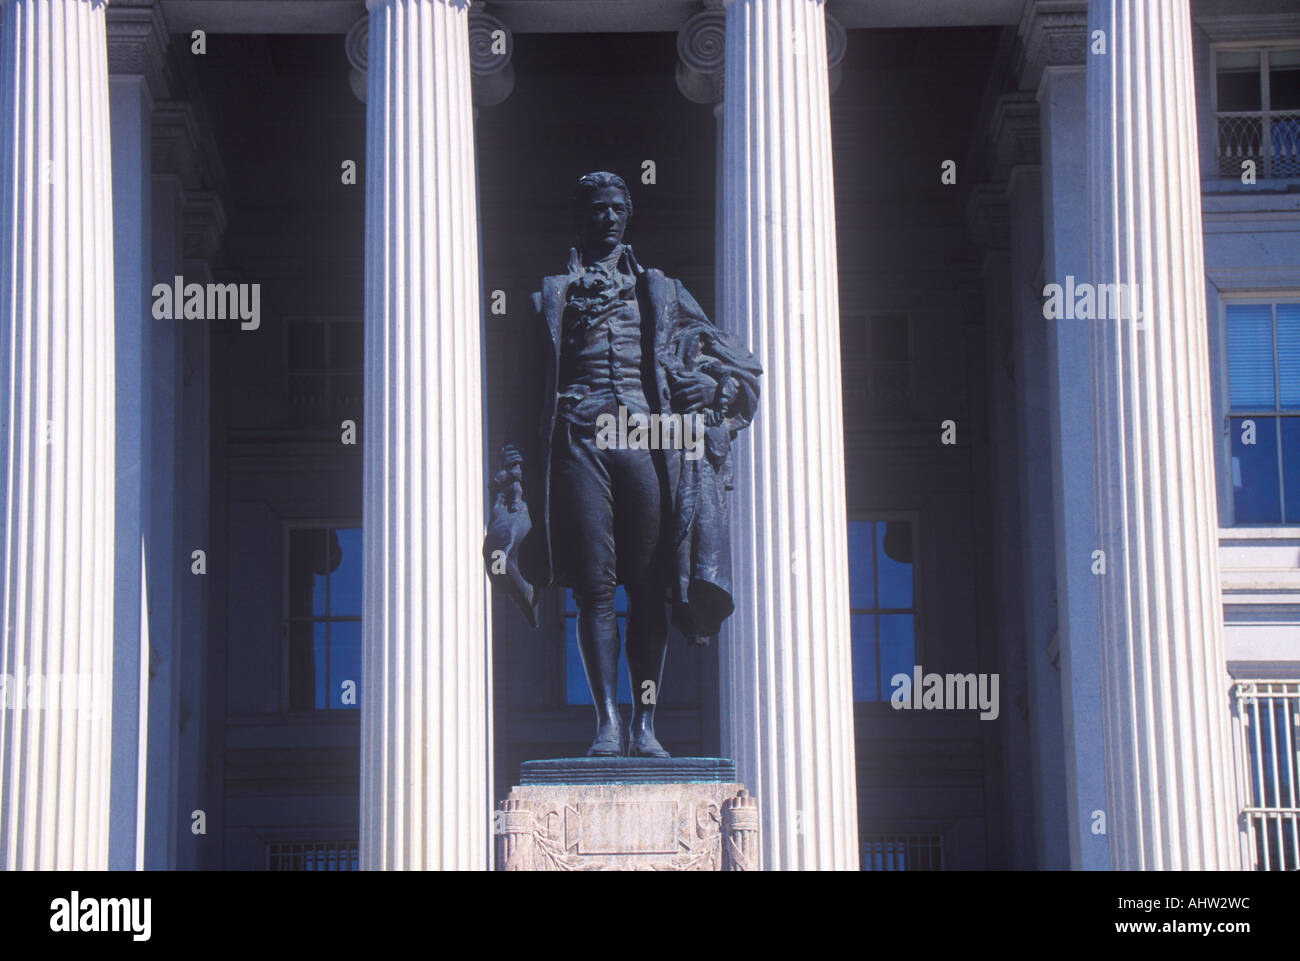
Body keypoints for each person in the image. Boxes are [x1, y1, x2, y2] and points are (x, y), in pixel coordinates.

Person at [484, 171, 759, 758]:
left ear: (627, 216)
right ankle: (608, 722)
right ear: (580, 218)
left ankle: (645, 724)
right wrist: (512, 468)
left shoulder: (665, 291)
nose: (607, 219)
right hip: (578, 440)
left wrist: (704, 391)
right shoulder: (547, 297)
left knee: (649, 583)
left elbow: (729, 366)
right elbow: (523, 394)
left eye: (616, 209)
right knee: (595, 588)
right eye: (596, 210)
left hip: (648, 438)